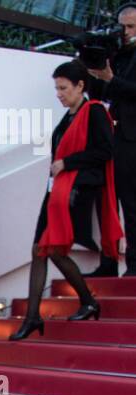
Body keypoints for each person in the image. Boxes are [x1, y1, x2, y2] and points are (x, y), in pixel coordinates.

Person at [10, 60, 122, 340]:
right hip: (55, 193)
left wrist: (68, 162)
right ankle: (33, 316)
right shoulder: (67, 118)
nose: (58, 93)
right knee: (39, 249)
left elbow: (106, 151)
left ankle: (87, 300)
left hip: (75, 193)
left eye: (63, 88)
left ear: (80, 86)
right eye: (56, 88)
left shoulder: (94, 112)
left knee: (55, 250)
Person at [88, 2, 136, 276]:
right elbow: (101, 93)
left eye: (131, 26)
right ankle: (107, 263)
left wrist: (110, 78)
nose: (126, 32)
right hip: (111, 137)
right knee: (107, 203)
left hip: (132, 140)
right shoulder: (116, 55)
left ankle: (133, 266)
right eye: (123, 26)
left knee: (131, 205)